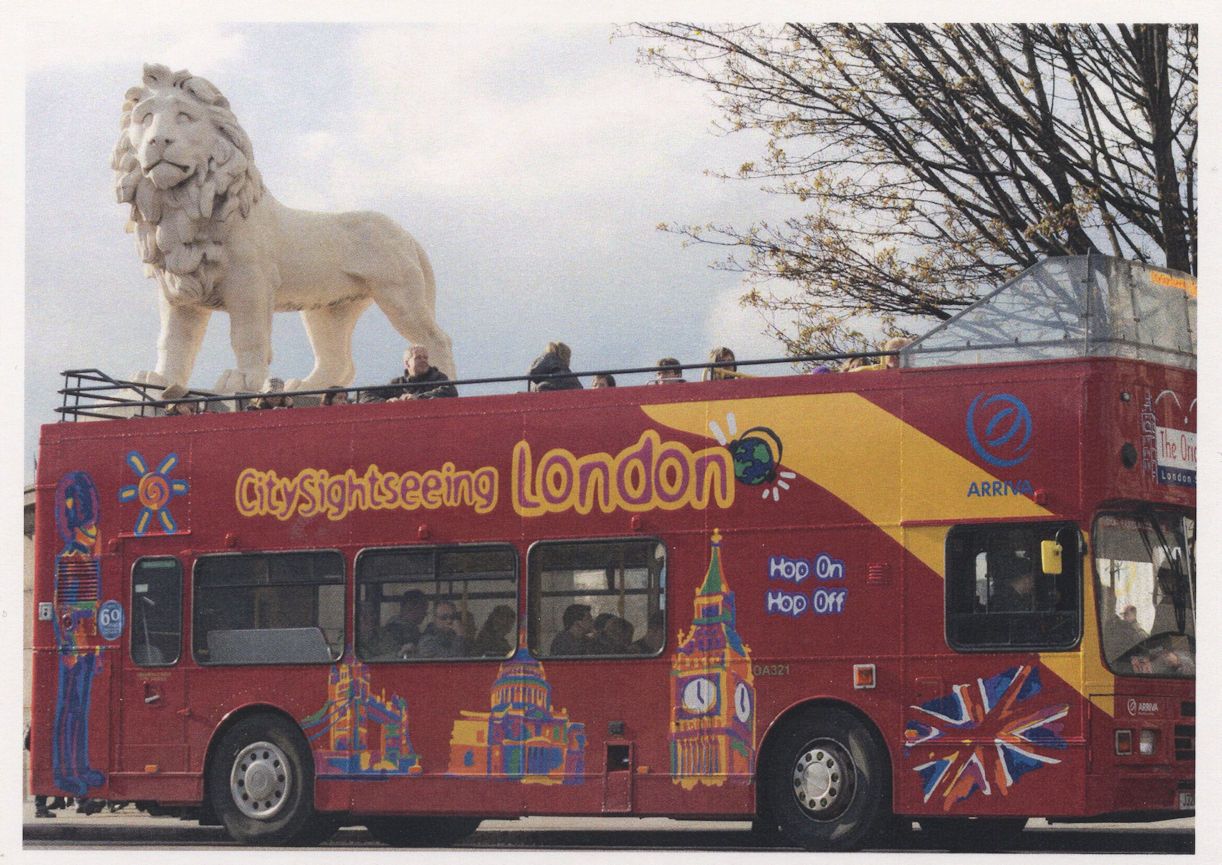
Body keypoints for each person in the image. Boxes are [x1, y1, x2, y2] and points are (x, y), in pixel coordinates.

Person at [384, 590, 429, 657]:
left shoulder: (410, 628)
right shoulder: (396, 630)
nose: (425, 615)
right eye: (423, 610)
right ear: (411, 608)